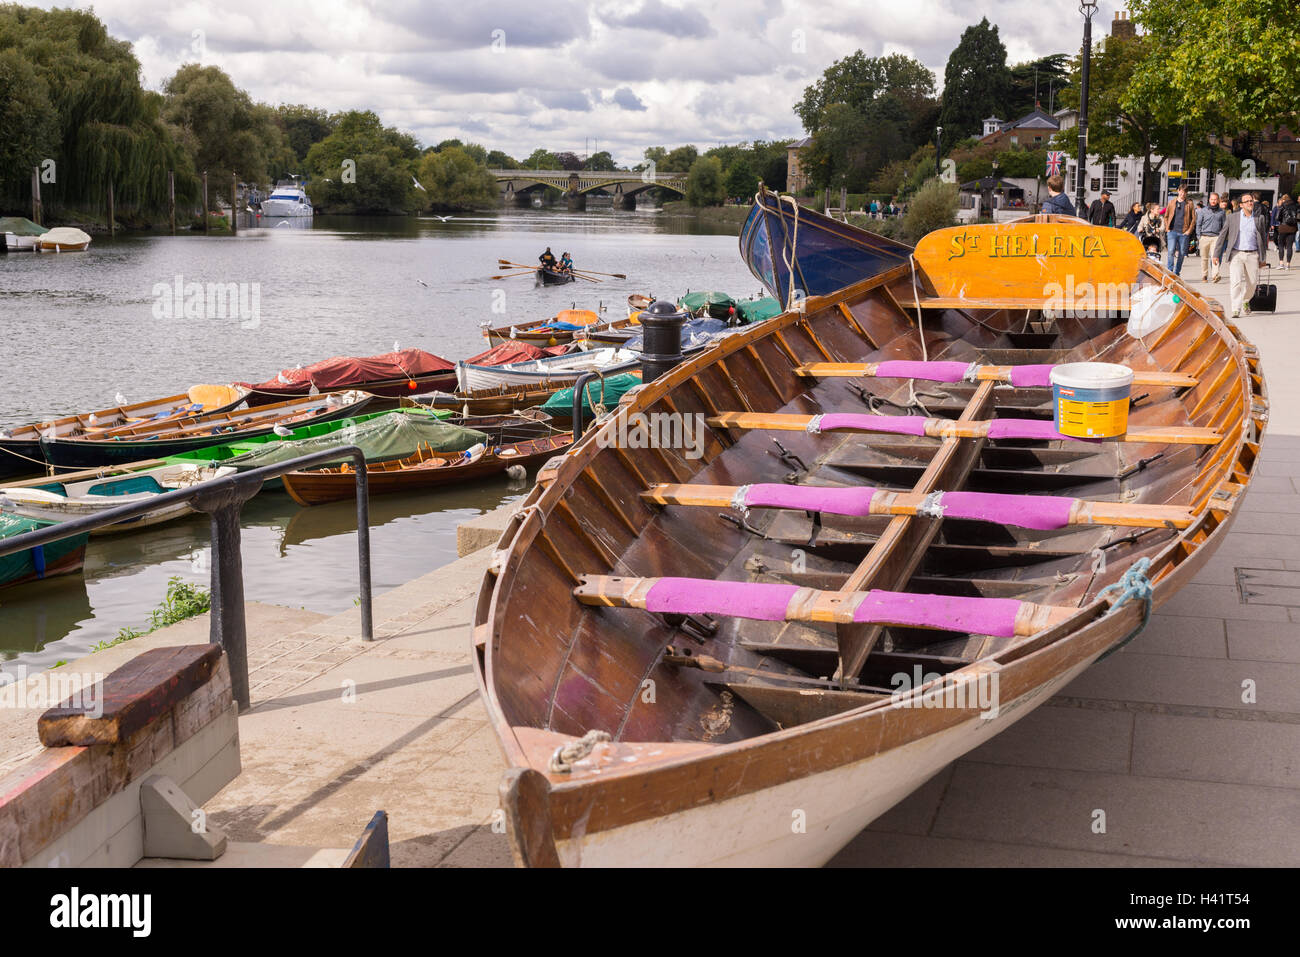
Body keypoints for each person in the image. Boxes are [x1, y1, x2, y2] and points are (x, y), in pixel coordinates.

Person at [1214, 193, 1270, 318]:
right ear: (1241, 205)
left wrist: (1263, 258)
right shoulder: (1232, 218)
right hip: (1236, 254)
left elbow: (1262, 239)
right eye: (1247, 201)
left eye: (1251, 201)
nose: (1250, 203)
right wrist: (1216, 254)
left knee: (1252, 283)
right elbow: (1222, 236)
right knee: (1235, 282)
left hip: (1252, 255)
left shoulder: (1259, 218)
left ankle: (1245, 301)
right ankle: (1236, 308)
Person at [1162, 186, 1195, 275]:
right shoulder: (1172, 202)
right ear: (1178, 191)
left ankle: (1177, 272)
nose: (1182, 193)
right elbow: (1166, 216)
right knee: (1171, 251)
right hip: (1172, 231)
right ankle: (1170, 271)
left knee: (1182, 253)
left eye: (1184, 192)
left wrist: (1189, 231)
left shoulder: (1189, 204)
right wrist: (1167, 228)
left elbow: (1193, 219)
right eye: (1181, 191)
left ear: (1186, 193)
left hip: (1184, 232)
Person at [1195, 192, 1226, 282]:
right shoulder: (1202, 211)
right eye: (1212, 199)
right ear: (1209, 200)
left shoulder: (1222, 212)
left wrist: (1221, 237)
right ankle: (1204, 275)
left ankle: (1215, 275)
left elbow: (1224, 226)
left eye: (1215, 199)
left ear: (1218, 200)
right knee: (1204, 258)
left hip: (1216, 237)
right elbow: (1198, 224)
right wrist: (1199, 236)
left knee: (1215, 257)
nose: (1213, 201)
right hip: (1204, 236)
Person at [1274, 194, 1297, 269]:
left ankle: (1281, 263)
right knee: (1289, 246)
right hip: (1292, 228)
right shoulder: (1295, 206)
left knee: (1281, 245)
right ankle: (1288, 264)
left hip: (1283, 227)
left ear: (1284, 199)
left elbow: (1277, 217)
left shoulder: (1282, 206)